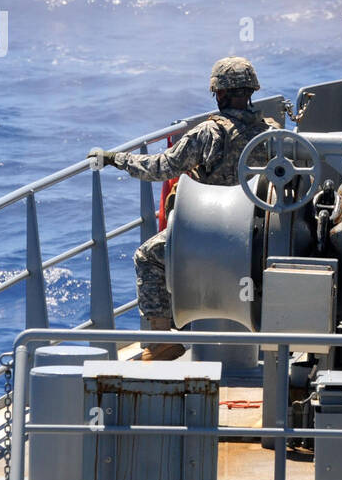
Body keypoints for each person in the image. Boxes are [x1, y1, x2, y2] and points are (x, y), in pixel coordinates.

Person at [88, 56, 277, 360]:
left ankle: (162, 341)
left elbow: (160, 167)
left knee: (147, 256)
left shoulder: (210, 133)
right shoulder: (273, 132)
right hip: (264, 239)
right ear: (251, 91)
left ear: (220, 93)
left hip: (214, 234)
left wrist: (114, 159)